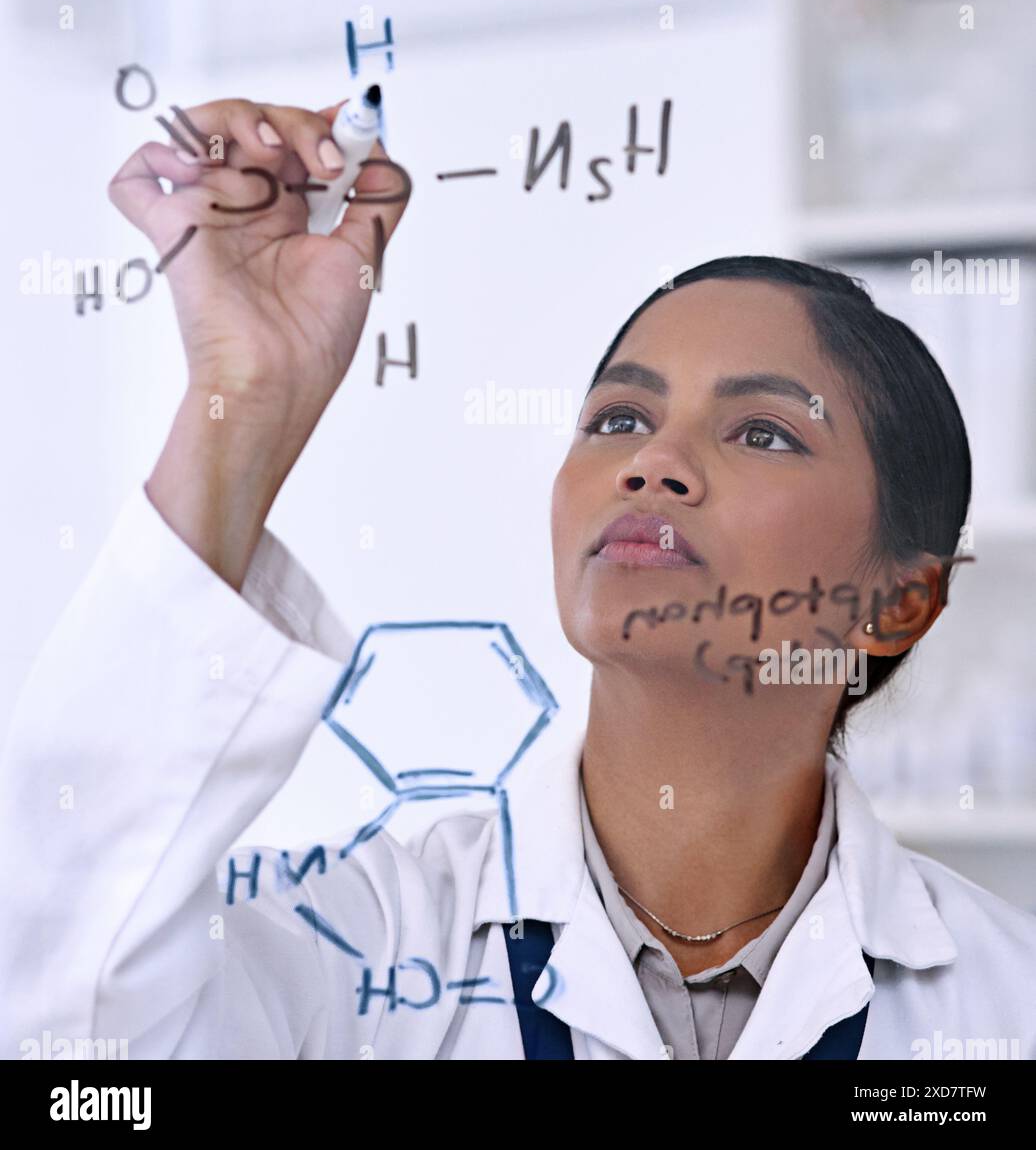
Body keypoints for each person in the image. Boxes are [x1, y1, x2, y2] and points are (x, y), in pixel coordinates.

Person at [3, 96, 1034, 1062]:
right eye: (620, 419)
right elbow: (72, 1037)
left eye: (760, 431)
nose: (649, 462)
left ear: (897, 602)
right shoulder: (360, 953)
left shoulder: (1005, 1003)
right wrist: (244, 399)